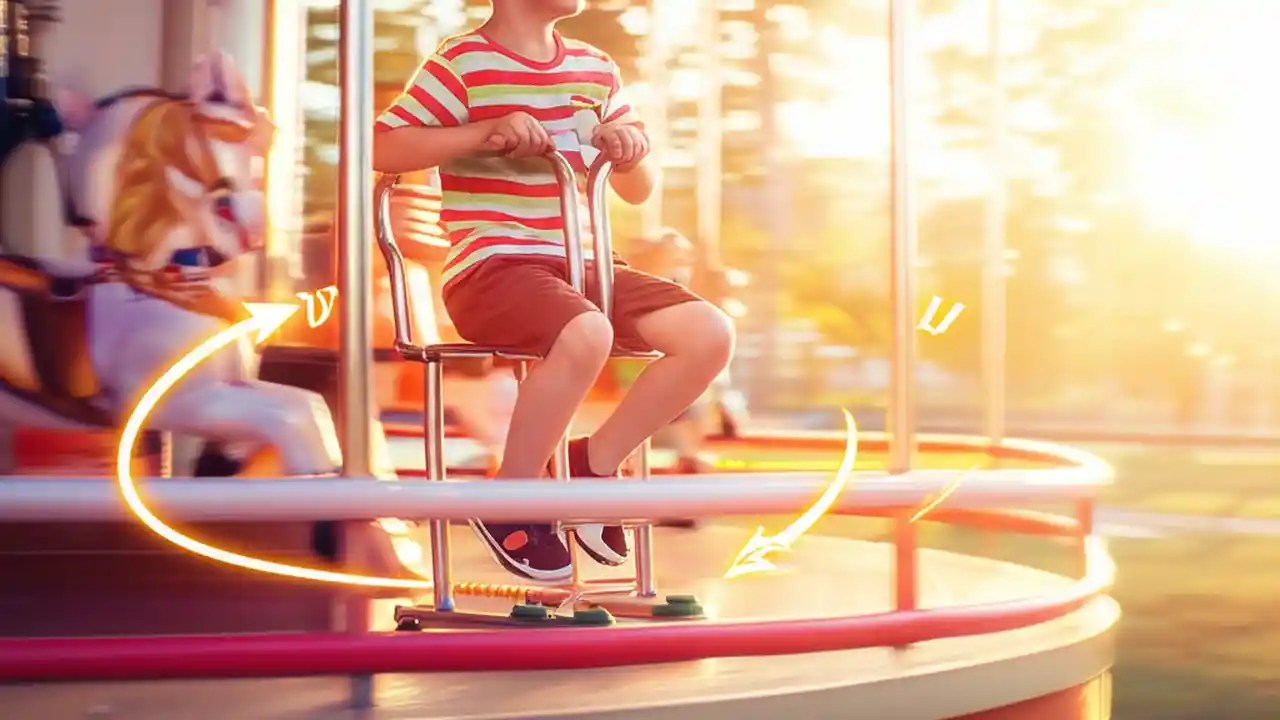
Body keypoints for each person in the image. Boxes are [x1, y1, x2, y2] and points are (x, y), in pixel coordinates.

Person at [372, 0, 735, 583]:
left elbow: (640, 190)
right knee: (588, 329)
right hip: (494, 267)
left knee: (708, 333)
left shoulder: (596, 68)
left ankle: (592, 463)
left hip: (589, 265)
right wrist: (483, 133)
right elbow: (382, 148)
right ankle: (510, 498)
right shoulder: (462, 61)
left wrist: (629, 152)